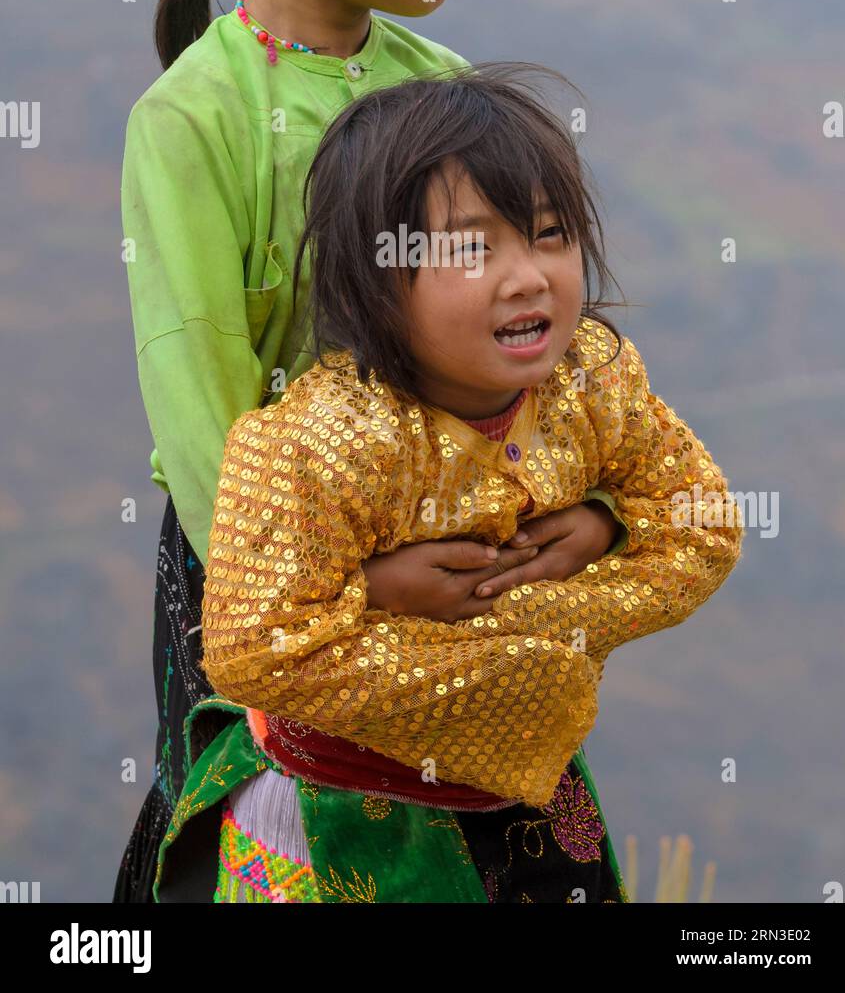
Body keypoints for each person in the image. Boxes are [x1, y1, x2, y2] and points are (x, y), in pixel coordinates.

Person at [114, 0, 558, 902]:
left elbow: (524, 327)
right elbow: (198, 403)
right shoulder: (194, 120)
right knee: (287, 855)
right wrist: (330, 600)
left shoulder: (443, 84)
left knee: (473, 847)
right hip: (267, 581)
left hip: (454, 552)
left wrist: (576, 510)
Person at [152, 63, 745, 903]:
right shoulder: (319, 440)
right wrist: (385, 597)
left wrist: (599, 534)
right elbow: (255, 651)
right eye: (471, 247)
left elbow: (703, 524)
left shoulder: (591, 383)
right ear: (375, 279)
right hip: (332, 816)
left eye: (548, 233)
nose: (528, 275)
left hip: (525, 799)